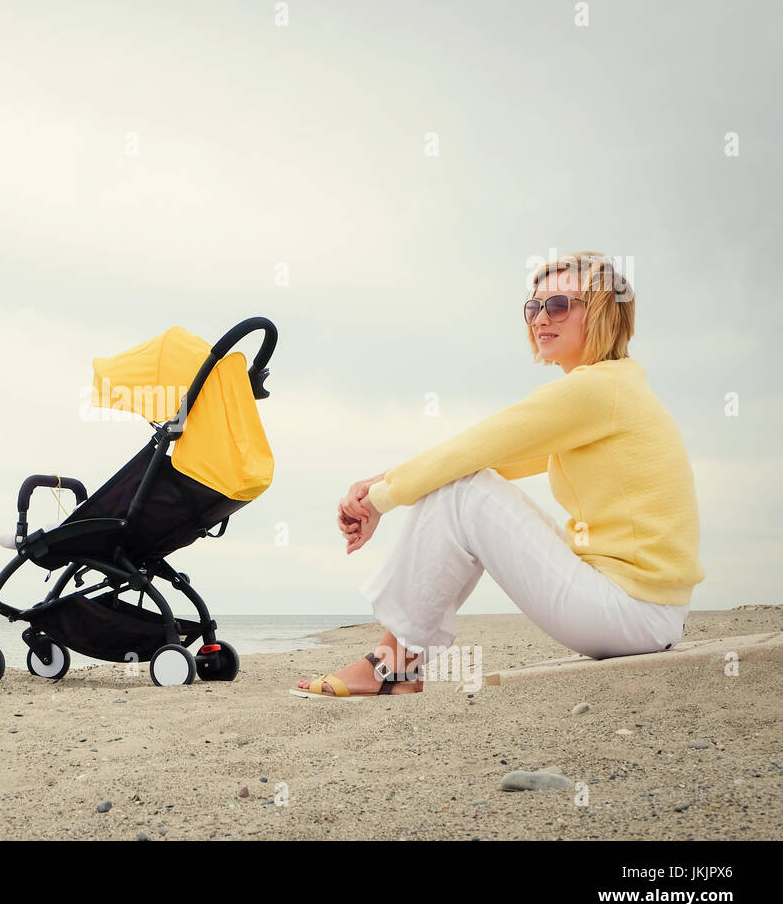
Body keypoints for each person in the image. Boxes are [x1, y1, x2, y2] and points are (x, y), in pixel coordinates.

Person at [292, 251, 705, 698]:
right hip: (643, 613)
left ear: (603, 312)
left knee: (464, 490)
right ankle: (396, 666)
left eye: (559, 305)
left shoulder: (596, 390)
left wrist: (379, 498)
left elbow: (475, 448)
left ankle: (390, 666)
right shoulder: (615, 387)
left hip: (631, 614)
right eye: (533, 306)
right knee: (461, 483)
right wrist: (380, 484)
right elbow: (489, 457)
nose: (540, 318)